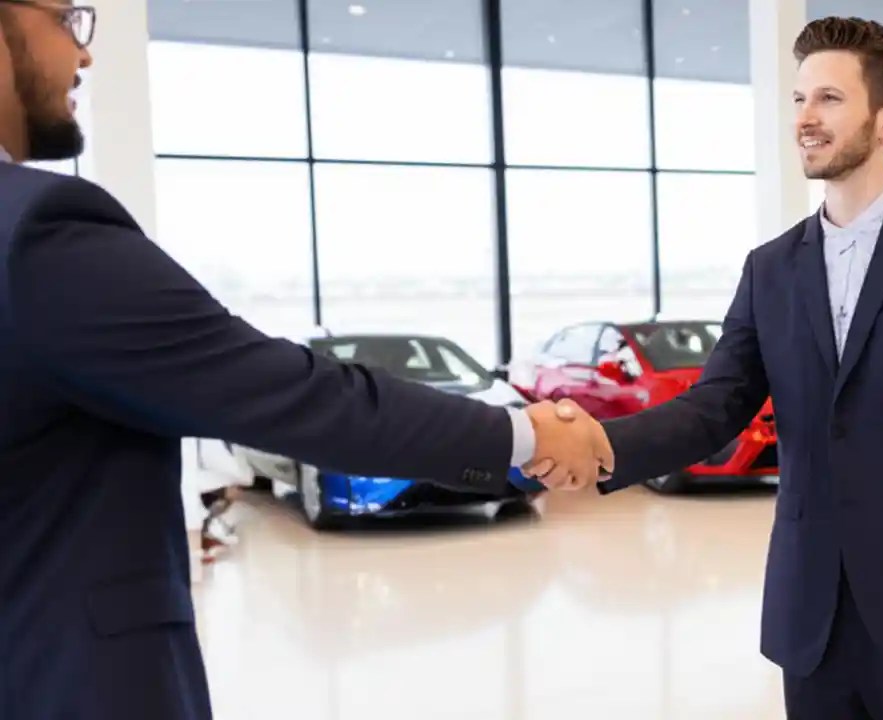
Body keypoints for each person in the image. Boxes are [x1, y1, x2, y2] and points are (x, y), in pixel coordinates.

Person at [0, 3, 609, 719]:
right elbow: (287, 394)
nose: (85, 55)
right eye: (67, 19)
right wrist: (525, 435)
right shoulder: (36, 234)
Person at [556, 16, 883, 720]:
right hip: (810, 622)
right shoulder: (770, 268)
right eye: (798, 98)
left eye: (829, 98)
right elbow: (715, 405)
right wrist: (601, 445)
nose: (804, 118)